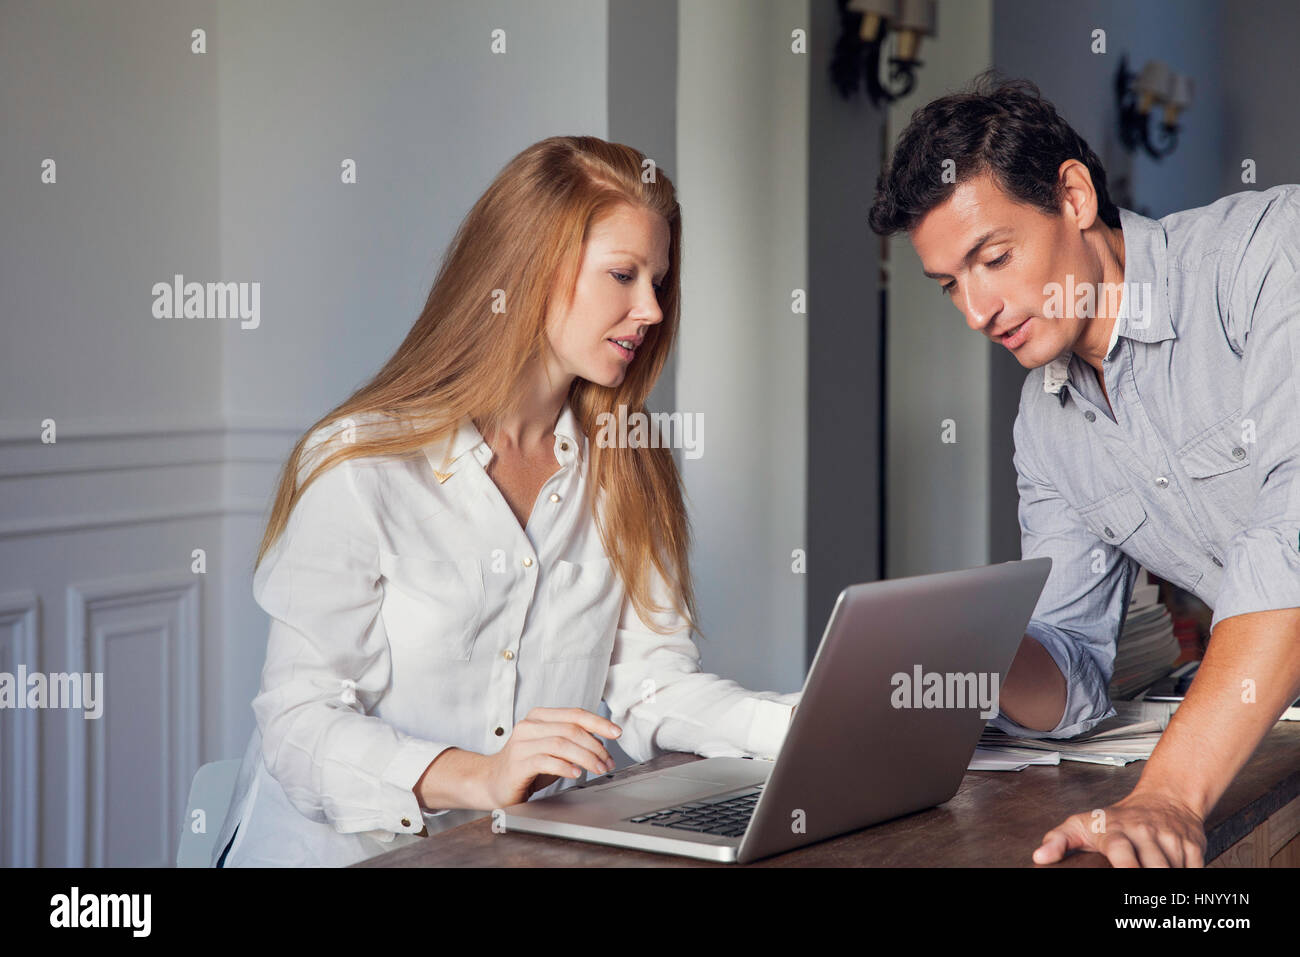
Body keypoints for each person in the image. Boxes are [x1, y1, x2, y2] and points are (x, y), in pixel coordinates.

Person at [212, 135, 800, 867]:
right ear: (527, 272)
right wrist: (480, 775)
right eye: (623, 275)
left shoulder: (626, 460)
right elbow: (299, 727)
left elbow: (652, 685)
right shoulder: (360, 463)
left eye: (658, 280)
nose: (649, 309)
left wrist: (803, 723)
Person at [868, 72, 1300, 868]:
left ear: (1073, 197)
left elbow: (1292, 544)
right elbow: (1074, 659)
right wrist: (971, 655)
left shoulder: (1268, 255)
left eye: (993, 258)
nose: (976, 310)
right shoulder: (1044, 422)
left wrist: (1167, 793)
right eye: (949, 287)